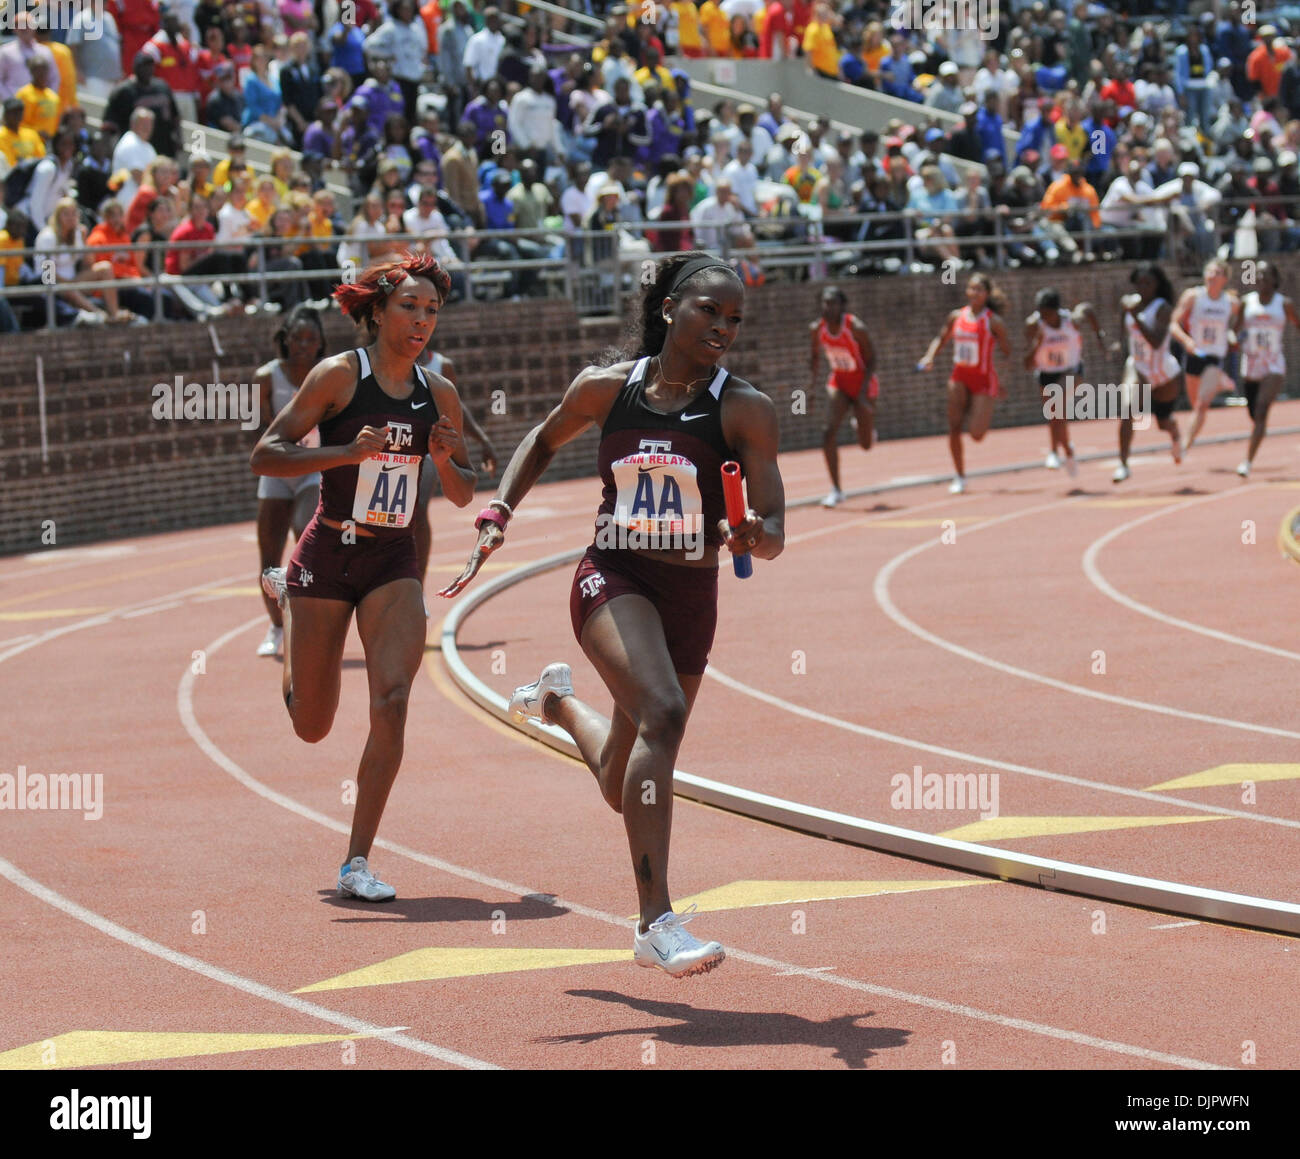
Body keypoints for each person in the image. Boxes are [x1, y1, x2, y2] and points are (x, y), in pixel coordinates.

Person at [439, 252, 785, 978]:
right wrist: (499, 510)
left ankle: (557, 701)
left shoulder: (744, 408)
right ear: (668, 310)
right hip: (612, 575)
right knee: (662, 713)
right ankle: (655, 920)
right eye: (708, 312)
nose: (723, 327)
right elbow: (540, 438)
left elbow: (776, 523)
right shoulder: (606, 389)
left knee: (620, 777)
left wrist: (755, 534)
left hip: (691, 596)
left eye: (734, 319)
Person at [252, 253, 476, 901]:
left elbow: (462, 494)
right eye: (409, 306)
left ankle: (356, 860)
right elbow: (265, 452)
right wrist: (346, 452)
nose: (422, 321)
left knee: (394, 700)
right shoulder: (337, 377)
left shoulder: (442, 394)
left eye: (432, 310)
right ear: (376, 312)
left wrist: (444, 459)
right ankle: (290, 606)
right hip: (327, 553)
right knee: (311, 724)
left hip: (390, 560)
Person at [254, 305, 327, 657]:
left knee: (304, 528)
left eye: (311, 339)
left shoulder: (327, 375)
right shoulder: (267, 376)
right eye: (297, 338)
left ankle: (310, 619)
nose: (303, 345)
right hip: (277, 474)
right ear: (285, 340)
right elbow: (256, 428)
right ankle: (277, 625)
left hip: (311, 468)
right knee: (268, 556)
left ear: (320, 344)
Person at [412, 340, 498, 607]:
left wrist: (483, 440)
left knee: (419, 506)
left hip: (430, 452)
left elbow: (456, 410)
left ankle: (418, 590)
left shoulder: (441, 367)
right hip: (397, 451)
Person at [918, 274, 1011, 494]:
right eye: (971, 289)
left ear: (987, 294)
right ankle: (959, 476)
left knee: (977, 435)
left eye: (979, 289)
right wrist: (929, 356)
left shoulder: (993, 322)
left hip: (983, 379)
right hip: (959, 375)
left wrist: (1001, 380)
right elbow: (941, 338)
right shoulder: (956, 317)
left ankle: (978, 408)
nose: (974, 293)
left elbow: (1007, 352)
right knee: (954, 426)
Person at [1023, 288, 1106, 477]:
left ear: (1057, 310)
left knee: (1056, 409)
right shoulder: (1034, 325)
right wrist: (1036, 343)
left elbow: (1088, 309)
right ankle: (1067, 451)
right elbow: (1027, 363)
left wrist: (1099, 334)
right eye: (1041, 313)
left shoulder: (1071, 321)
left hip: (1071, 370)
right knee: (1054, 416)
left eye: (1047, 314)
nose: (1044, 318)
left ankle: (1054, 452)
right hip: (1046, 374)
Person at [1114, 263, 1183, 483]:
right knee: (1127, 410)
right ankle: (1123, 464)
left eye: (1148, 283)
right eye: (1139, 283)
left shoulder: (1162, 308)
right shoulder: (1129, 304)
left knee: (1162, 422)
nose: (1143, 287)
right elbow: (1124, 329)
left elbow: (1155, 342)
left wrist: (1135, 316)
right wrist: (1118, 344)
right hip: (1138, 365)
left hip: (1162, 370)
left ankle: (1175, 435)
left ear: (1157, 285)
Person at [1230, 261, 1300, 477]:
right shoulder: (1246, 302)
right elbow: (1234, 330)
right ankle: (1259, 430)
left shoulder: (1284, 304)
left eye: (1266, 275)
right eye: (1258, 275)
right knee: (1254, 415)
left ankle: (1247, 462)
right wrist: (1234, 340)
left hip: (1273, 364)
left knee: (1260, 410)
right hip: (1251, 364)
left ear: (1275, 279)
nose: (1261, 279)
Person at [809, 286, 877, 508]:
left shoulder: (855, 327)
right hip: (838, 381)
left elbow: (872, 358)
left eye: (834, 303)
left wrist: (864, 391)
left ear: (842, 305)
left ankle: (864, 426)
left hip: (861, 382)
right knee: (828, 432)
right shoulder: (817, 329)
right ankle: (836, 490)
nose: (829, 307)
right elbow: (815, 358)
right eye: (825, 303)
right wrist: (811, 387)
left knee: (866, 445)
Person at [1170, 258, 1239, 458]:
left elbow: (1242, 321)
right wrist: (1186, 341)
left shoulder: (1231, 303)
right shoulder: (1193, 296)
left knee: (1201, 405)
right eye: (1209, 271)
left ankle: (1184, 446)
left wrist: (1234, 335)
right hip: (1194, 355)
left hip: (1214, 357)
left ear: (1225, 278)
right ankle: (1221, 383)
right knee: (1195, 405)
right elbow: (1173, 324)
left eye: (1217, 272)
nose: (1211, 276)